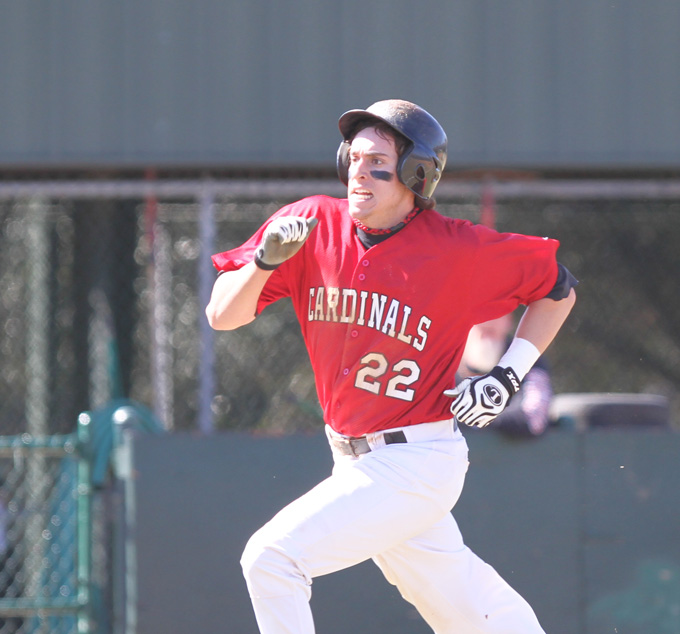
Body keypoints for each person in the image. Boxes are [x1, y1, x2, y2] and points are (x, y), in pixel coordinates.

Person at [206, 99, 577, 633]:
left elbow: (558, 289)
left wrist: (508, 374)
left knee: (272, 559)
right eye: (353, 158)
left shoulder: (455, 248)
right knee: (469, 610)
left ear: (416, 175)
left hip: (417, 458)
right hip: (355, 461)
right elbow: (221, 315)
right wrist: (263, 263)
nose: (359, 172)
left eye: (378, 162)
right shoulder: (310, 223)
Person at [459, 314, 556, 437]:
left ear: (509, 321)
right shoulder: (446, 359)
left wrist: (479, 418)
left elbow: (534, 419)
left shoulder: (528, 358)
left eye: (497, 313)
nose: (488, 320)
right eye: (481, 311)